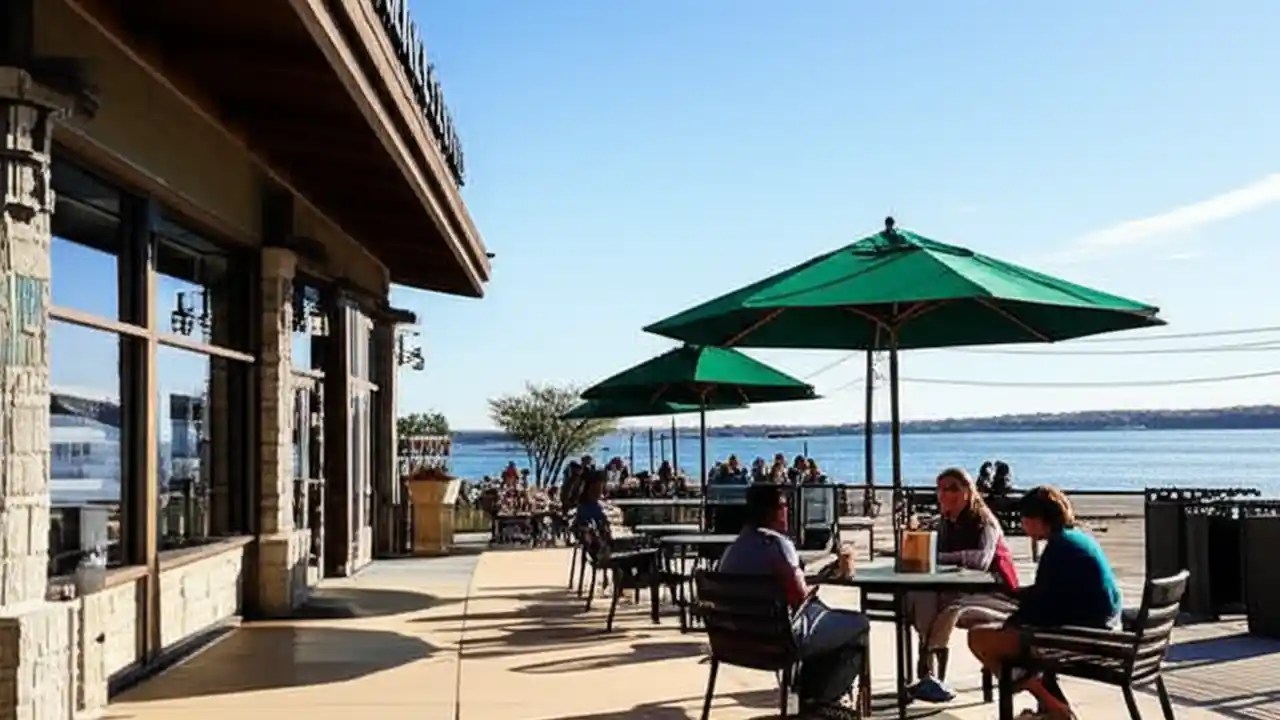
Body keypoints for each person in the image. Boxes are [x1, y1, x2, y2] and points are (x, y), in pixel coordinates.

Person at [968, 486, 1122, 720]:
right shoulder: (1077, 540)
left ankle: (1053, 705)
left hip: (1084, 638)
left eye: (1024, 518)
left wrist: (1012, 622)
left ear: (1038, 519)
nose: (1022, 524)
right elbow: (1056, 594)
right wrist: (1019, 596)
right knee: (1007, 636)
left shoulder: (1058, 549)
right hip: (1106, 630)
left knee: (980, 637)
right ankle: (1048, 705)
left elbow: (1043, 609)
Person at [719, 484, 868, 719]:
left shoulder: (733, 550)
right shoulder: (777, 544)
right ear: (774, 511)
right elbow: (799, 598)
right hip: (778, 642)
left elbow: (776, 584)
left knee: (825, 624)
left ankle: (811, 700)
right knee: (857, 624)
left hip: (734, 641)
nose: (788, 511)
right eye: (785, 505)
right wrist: (816, 585)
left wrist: (812, 579)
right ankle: (820, 702)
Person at [906, 468, 1020, 703]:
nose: (946, 494)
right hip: (959, 588)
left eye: (953, 488)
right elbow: (932, 555)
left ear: (968, 492)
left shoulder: (984, 522)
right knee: (921, 594)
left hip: (995, 592)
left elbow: (981, 561)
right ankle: (929, 668)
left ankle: (927, 661)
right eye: (941, 489)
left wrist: (941, 559)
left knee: (945, 605)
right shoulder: (945, 523)